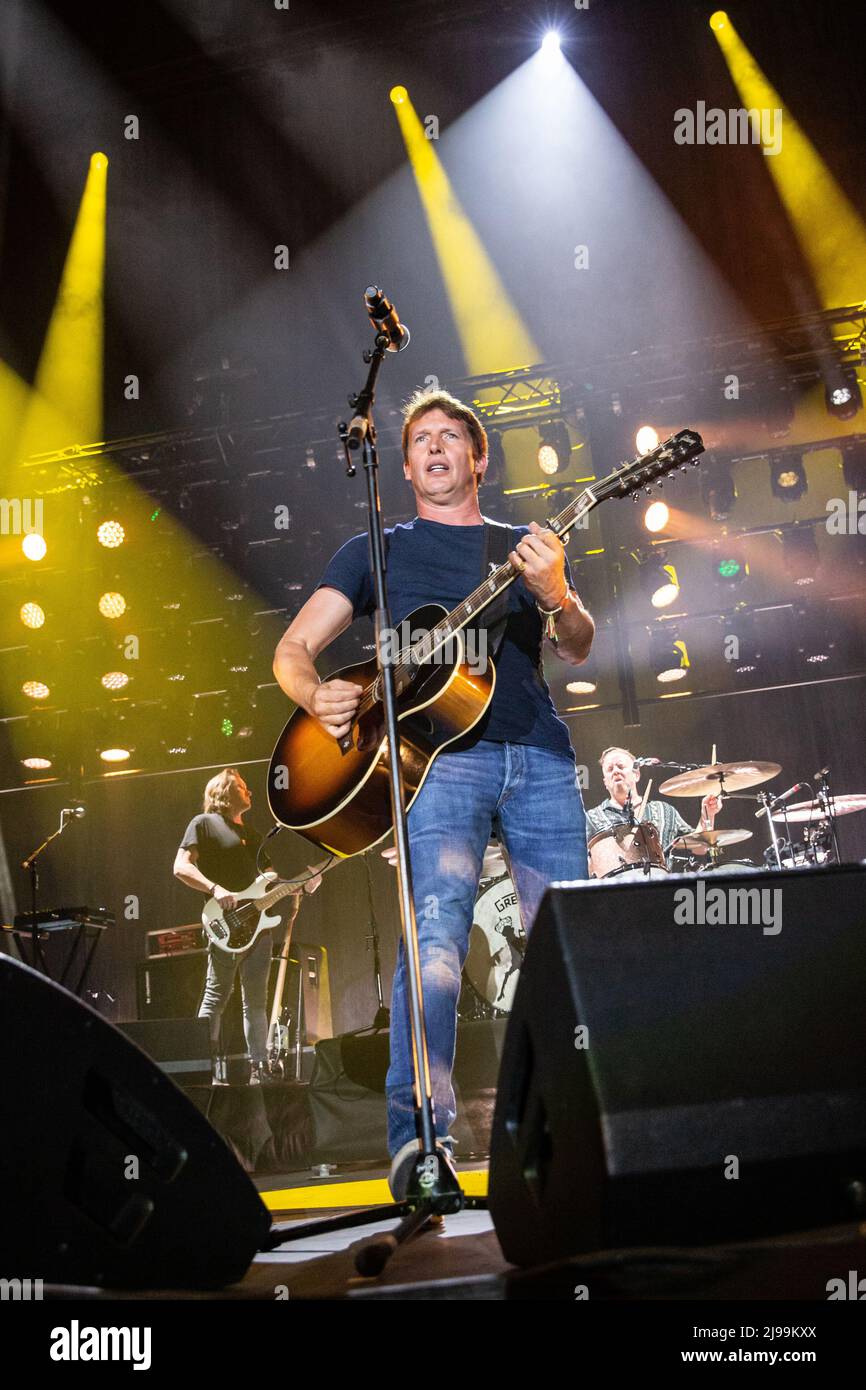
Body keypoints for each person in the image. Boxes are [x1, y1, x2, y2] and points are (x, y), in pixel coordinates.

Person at [272, 387, 595, 1191]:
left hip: (542, 756)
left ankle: (587, 1127)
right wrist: (316, 695)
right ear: (405, 463)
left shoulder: (521, 546)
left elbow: (581, 645)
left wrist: (558, 594)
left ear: (479, 459)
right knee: (437, 945)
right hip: (440, 764)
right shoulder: (375, 550)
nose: (437, 448)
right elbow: (292, 650)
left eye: (454, 437)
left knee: (572, 945)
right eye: (422, 440)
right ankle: (421, 1146)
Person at [173, 767, 320, 1085]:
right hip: (225, 924)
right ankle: (199, 1067)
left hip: (258, 929)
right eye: (242, 786)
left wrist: (302, 883)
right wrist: (214, 889)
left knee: (256, 1000)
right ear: (223, 793)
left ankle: (259, 1069)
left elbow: (270, 883)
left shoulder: (253, 836)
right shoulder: (203, 825)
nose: (250, 791)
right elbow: (180, 867)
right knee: (216, 995)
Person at [585, 746, 721, 868]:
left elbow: (699, 848)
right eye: (610, 769)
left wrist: (707, 814)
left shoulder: (664, 811)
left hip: (661, 888)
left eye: (620, 766)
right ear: (605, 782)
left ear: (636, 774)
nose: (615, 771)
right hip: (615, 891)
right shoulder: (591, 818)